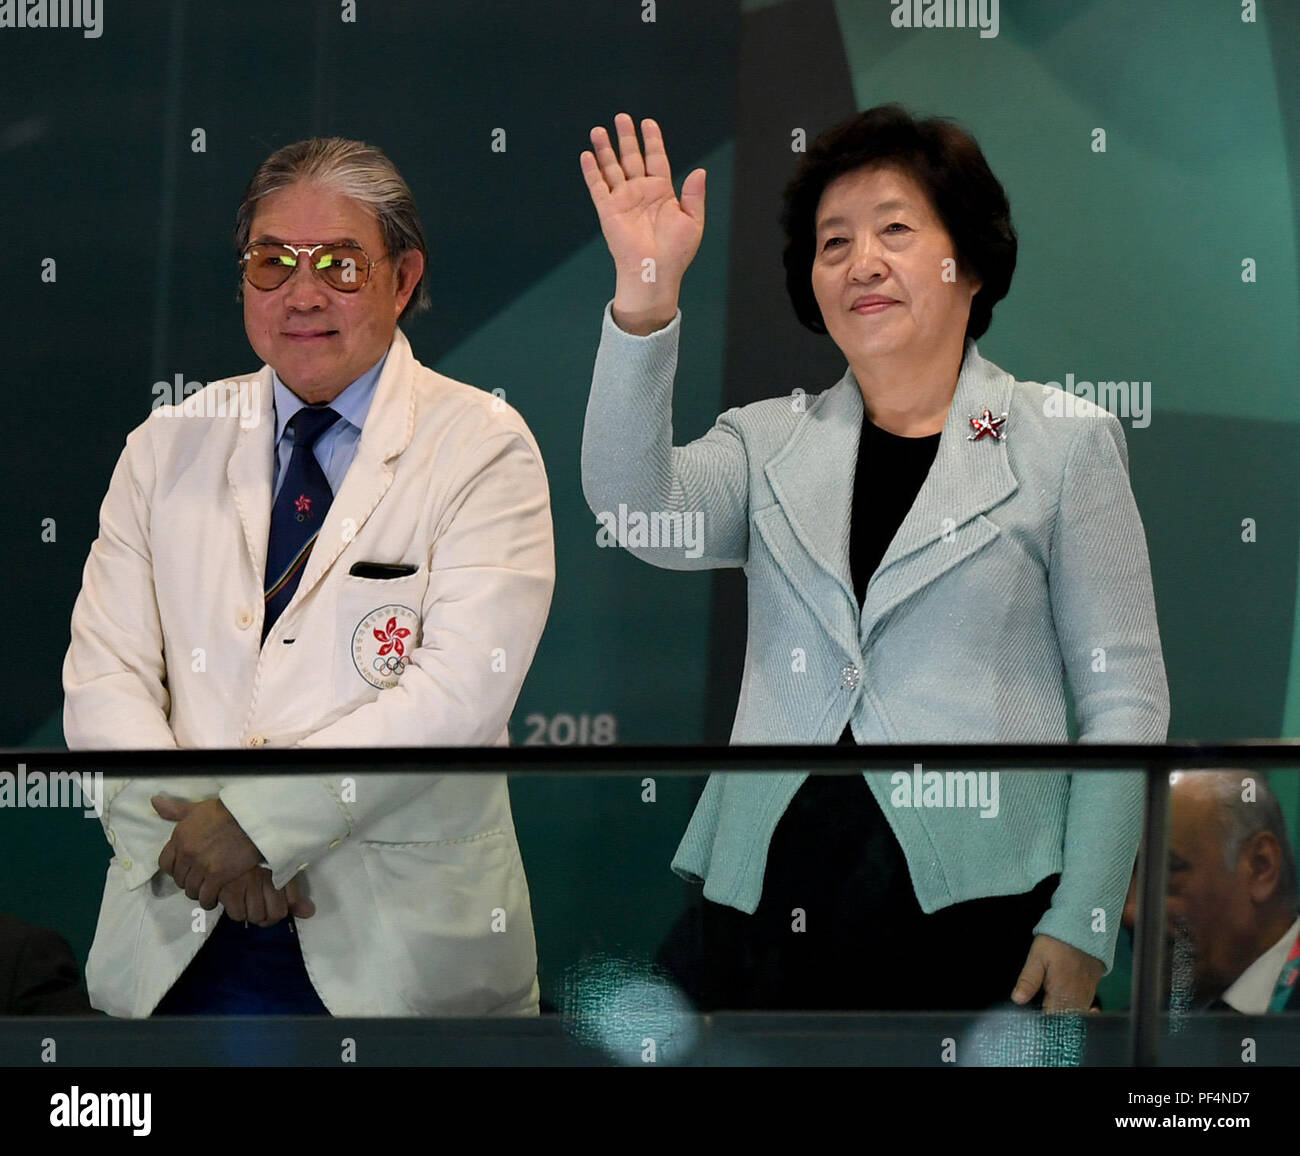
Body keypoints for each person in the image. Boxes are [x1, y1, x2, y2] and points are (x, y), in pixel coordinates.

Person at [579, 106, 1169, 1013]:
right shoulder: (769, 441)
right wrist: (646, 294)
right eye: (833, 242)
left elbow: (1124, 701)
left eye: (896, 229)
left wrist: (1084, 918)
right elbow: (634, 508)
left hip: (980, 908)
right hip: (767, 898)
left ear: (968, 262)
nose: (862, 262)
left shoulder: (1063, 442)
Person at [63, 137, 555, 1018]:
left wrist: (257, 828)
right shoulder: (164, 445)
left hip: (400, 964)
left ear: (403, 280)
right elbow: (104, 681)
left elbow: (455, 697)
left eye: (340, 264)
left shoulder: (484, 446)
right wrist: (196, 846)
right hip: (182, 938)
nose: (302, 293)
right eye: (271, 262)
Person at [1123, 769, 1300, 1012]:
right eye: (1118, 885)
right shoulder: (1127, 1034)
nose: (1130, 913)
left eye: (1164, 872)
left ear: (1261, 866)